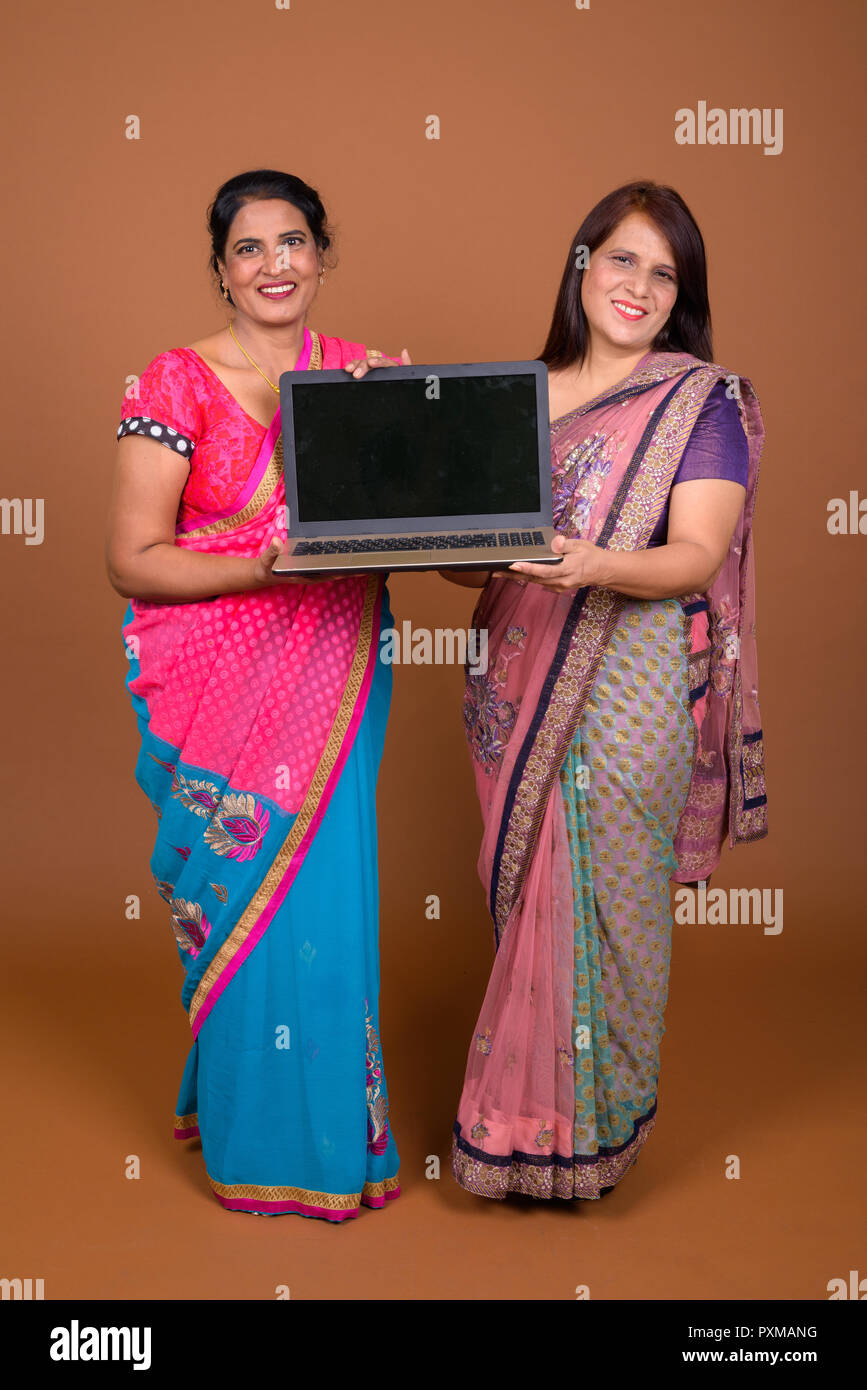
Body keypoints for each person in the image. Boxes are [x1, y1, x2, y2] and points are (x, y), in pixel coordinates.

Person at [444, 181, 767, 1202]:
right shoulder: (518, 395)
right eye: (621, 258)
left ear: (682, 298)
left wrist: (588, 566)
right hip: (517, 678)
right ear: (583, 264)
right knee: (533, 905)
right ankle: (521, 1132)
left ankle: (587, 1141)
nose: (638, 285)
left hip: (628, 698)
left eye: (664, 273)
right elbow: (474, 561)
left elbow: (695, 555)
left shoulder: (699, 403)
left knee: (612, 917)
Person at [106, 169, 409, 1222]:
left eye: (294, 242)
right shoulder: (173, 384)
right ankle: (250, 1131)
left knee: (319, 904)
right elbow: (134, 559)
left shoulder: (367, 380)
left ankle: (328, 1141)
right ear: (221, 269)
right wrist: (261, 572)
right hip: (220, 689)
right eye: (250, 247)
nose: (275, 263)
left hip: (335, 679)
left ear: (323, 254)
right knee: (243, 898)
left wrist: (458, 473)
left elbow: (428, 537)